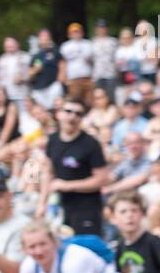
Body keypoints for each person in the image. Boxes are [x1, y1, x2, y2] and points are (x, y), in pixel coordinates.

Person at [38, 98, 109, 237]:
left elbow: (101, 179)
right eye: (68, 111)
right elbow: (48, 172)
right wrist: (42, 203)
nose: (72, 117)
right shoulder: (52, 140)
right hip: (60, 206)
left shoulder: (91, 144)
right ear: (59, 114)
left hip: (86, 207)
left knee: (84, 246)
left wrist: (67, 185)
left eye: (78, 114)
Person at [27, 29, 63, 110]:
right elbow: (29, 73)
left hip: (53, 86)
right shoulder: (35, 56)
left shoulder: (55, 51)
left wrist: (59, 82)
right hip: (38, 89)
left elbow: (62, 65)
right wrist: (35, 70)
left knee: (56, 108)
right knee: (42, 110)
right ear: (39, 40)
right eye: (42, 36)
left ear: (50, 38)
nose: (44, 38)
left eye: (46, 36)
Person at [0, 37, 31, 106]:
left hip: (23, 95)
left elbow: (32, 74)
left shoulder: (26, 57)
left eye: (11, 46)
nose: (9, 48)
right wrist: (0, 91)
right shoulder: (0, 60)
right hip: (7, 97)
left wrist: (22, 78)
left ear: (17, 45)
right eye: (7, 47)